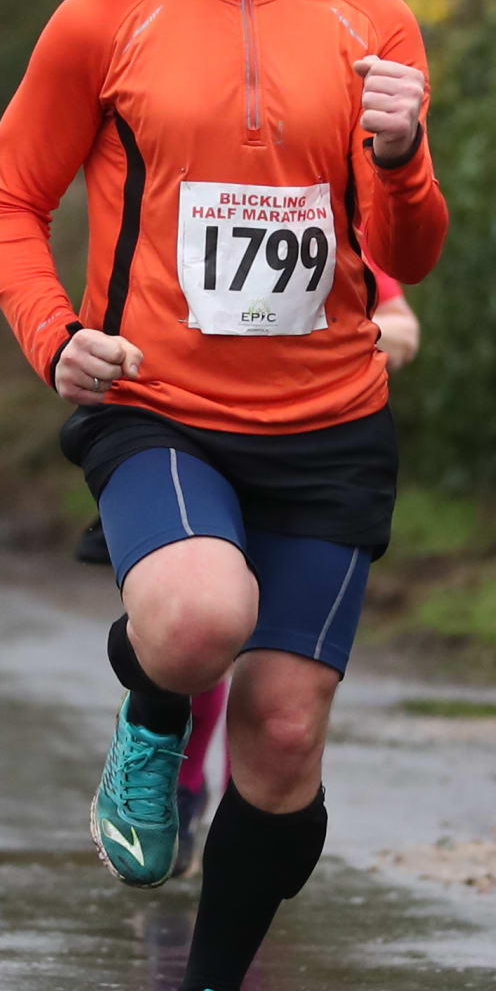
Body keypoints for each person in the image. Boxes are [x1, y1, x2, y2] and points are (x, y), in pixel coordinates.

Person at [0, 0, 447, 991]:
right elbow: (9, 199)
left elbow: (406, 248)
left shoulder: (370, 17)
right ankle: (145, 707)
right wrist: (53, 334)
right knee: (196, 619)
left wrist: (407, 155)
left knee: (288, 740)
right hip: (160, 402)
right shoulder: (107, 11)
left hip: (328, 419)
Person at [170, 255, 420, 877]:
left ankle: (237, 817)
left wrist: (342, 344)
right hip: (195, 440)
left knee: (271, 681)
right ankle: (177, 790)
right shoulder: (192, 205)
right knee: (200, 636)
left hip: (307, 459)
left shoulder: (336, 226)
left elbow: (402, 325)